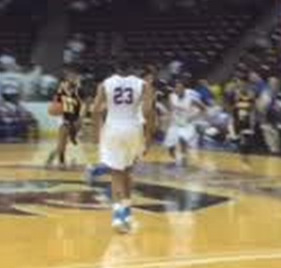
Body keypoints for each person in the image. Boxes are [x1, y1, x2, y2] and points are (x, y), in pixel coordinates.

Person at [87, 58, 157, 233]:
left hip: (113, 129)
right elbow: (148, 112)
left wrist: (95, 134)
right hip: (133, 129)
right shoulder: (143, 85)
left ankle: (118, 217)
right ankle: (127, 213)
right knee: (128, 172)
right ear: (133, 68)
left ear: (115, 68)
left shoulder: (105, 84)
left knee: (116, 175)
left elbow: (95, 110)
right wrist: (149, 137)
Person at [46, 71, 84, 169]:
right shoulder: (61, 89)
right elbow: (55, 104)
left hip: (75, 117)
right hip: (64, 116)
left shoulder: (78, 89)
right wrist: (55, 108)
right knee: (62, 141)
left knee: (68, 141)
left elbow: (80, 103)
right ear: (67, 79)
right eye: (72, 77)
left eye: (75, 77)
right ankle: (61, 161)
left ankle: (55, 155)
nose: (75, 79)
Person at [163, 78, 202, 168]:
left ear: (184, 89)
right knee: (170, 146)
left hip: (186, 123)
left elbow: (203, 108)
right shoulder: (172, 96)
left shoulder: (191, 98)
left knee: (182, 138)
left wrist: (193, 116)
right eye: (176, 88)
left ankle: (184, 158)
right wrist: (167, 118)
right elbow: (171, 108)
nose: (177, 89)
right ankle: (175, 158)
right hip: (175, 122)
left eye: (179, 88)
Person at [228, 78, 258, 165]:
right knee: (236, 139)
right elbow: (230, 106)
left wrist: (252, 118)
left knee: (246, 139)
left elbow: (253, 107)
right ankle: (241, 156)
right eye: (239, 83)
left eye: (242, 83)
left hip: (247, 119)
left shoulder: (250, 94)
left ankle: (245, 159)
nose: (240, 85)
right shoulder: (233, 94)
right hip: (236, 118)